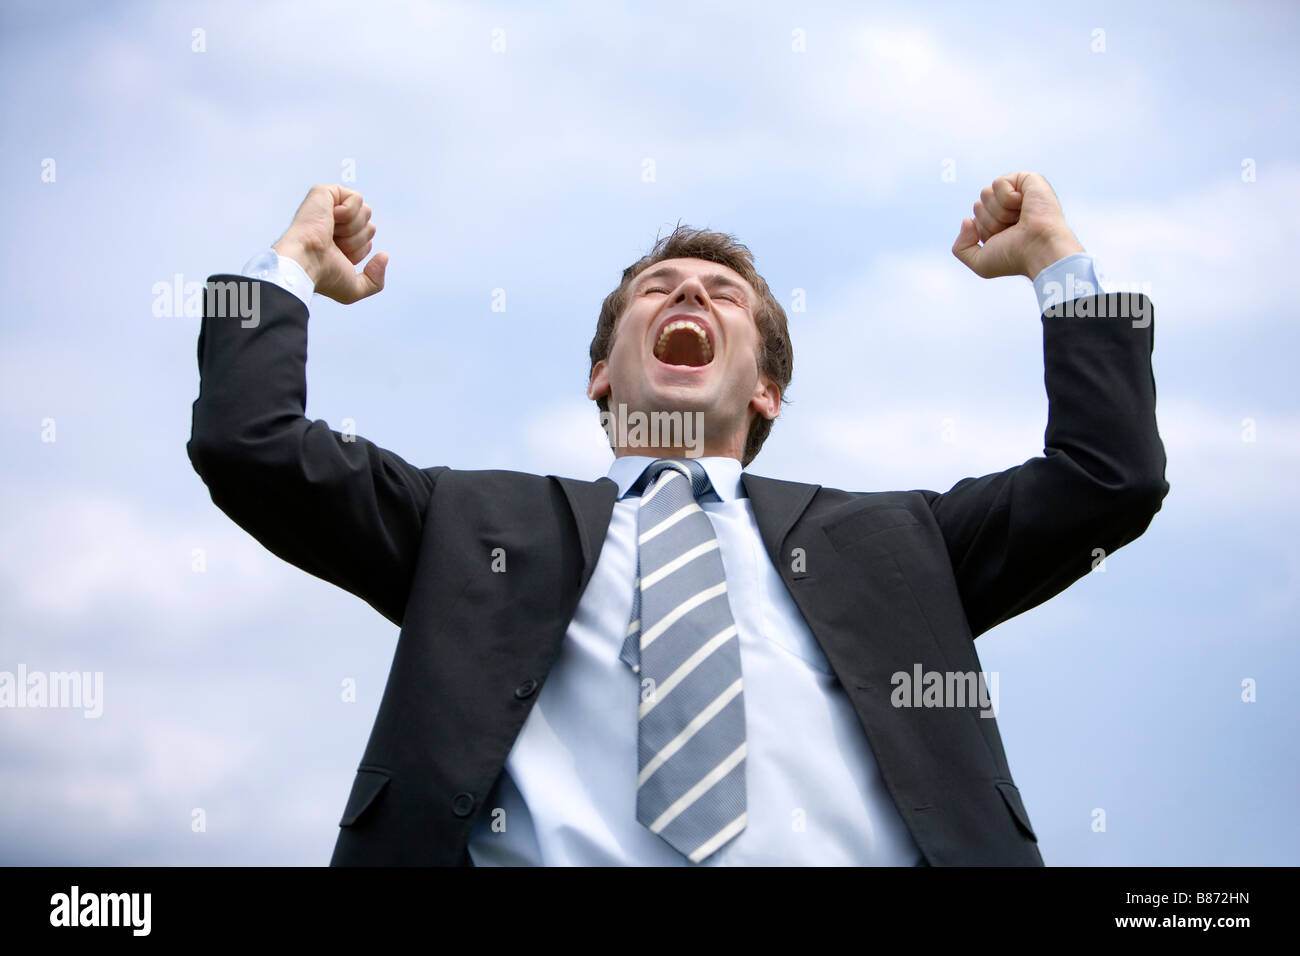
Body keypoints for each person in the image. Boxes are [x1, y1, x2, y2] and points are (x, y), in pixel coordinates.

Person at [186, 174, 1168, 866]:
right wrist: (291, 261)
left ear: (768, 390)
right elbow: (251, 445)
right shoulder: (465, 522)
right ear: (603, 374)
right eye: (656, 289)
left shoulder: (900, 541)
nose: (690, 290)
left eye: (724, 295)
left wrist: (1056, 260)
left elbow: (1107, 477)